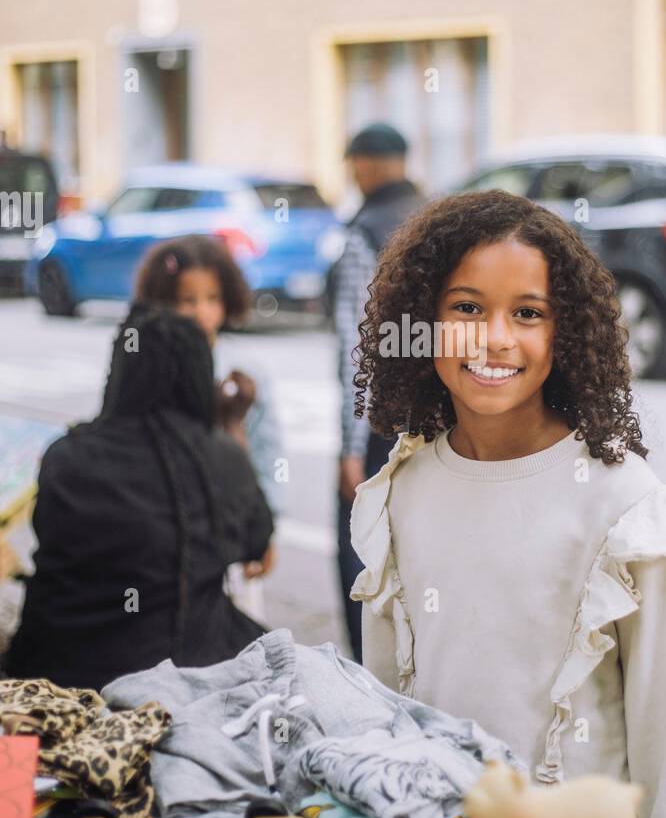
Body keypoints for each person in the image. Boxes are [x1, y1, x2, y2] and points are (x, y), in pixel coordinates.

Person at [348, 190, 666, 818]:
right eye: (466, 308)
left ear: (568, 331)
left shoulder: (623, 500)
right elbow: (383, 704)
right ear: (420, 322)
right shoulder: (400, 492)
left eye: (528, 313)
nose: (495, 338)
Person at [3, 306, 274, 690]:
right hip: (180, 683)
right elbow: (256, 545)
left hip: (51, 678)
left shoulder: (68, 456)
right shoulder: (223, 458)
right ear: (201, 375)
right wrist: (231, 426)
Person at [332, 122, 424, 661]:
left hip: (379, 424)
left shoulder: (362, 233)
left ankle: (371, 668)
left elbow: (355, 344)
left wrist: (349, 443)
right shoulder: (434, 219)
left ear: (364, 165)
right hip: (436, 417)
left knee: (362, 545)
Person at [134, 235, 285, 522]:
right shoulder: (149, 366)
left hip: (229, 509)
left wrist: (268, 516)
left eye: (212, 299)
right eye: (187, 300)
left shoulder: (246, 369)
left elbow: (268, 448)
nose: (201, 311)